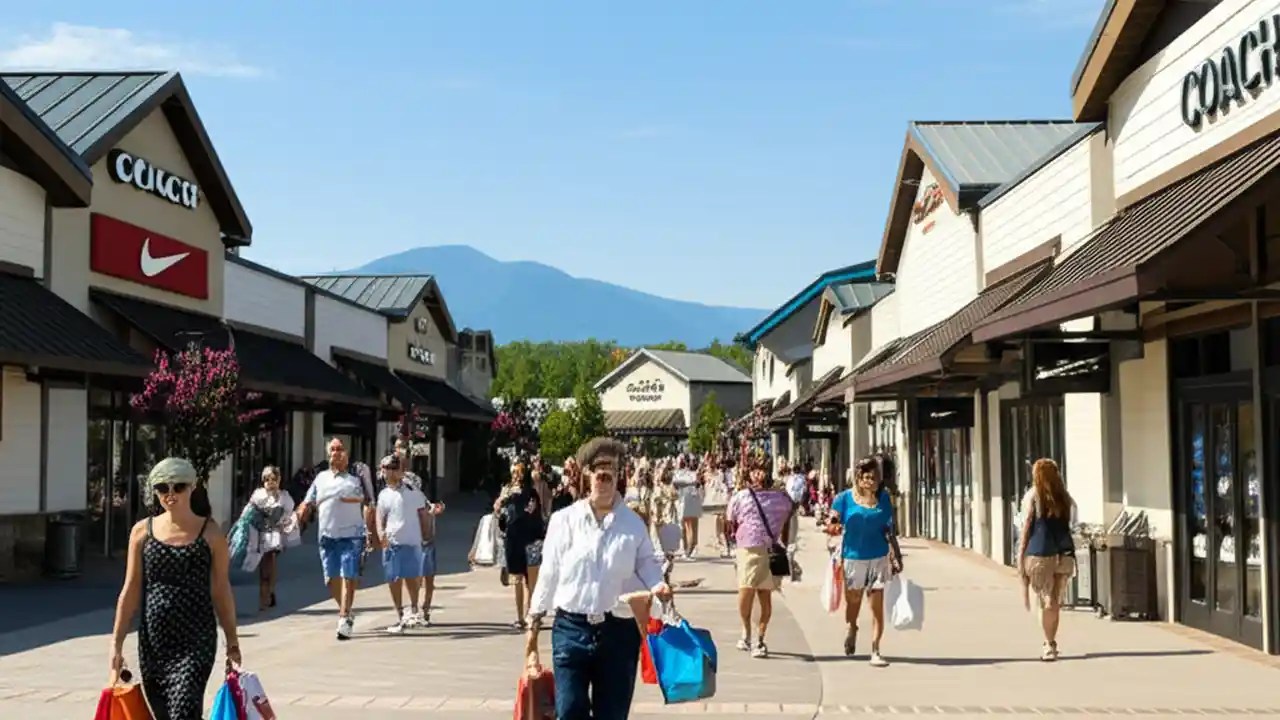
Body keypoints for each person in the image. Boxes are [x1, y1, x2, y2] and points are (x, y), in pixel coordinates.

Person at [525, 437, 673, 720]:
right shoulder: (564, 520)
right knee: (569, 711)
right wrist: (532, 631)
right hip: (571, 629)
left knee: (612, 714)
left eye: (610, 473)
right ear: (586, 476)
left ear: (619, 477)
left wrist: (658, 585)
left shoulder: (632, 524)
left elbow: (647, 562)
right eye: (598, 473)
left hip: (618, 632)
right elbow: (548, 574)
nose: (603, 480)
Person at [109, 458, 240, 720]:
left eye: (178, 487)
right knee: (165, 715)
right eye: (162, 488)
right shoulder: (141, 532)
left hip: (196, 640)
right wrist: (116, 643)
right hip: (154, 642)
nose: (170, 494)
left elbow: (221, 590)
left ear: (191, 488)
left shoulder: (210, 534)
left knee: (183, 711)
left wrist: (232, 641)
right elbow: (131, 589)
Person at [828, 457, 902, 667]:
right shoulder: (844, 499)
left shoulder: (884, 499)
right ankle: (852, 626)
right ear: (858, 479)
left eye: (873, 478)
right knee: (853, 602)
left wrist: (895, 554)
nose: (870, 482)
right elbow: (832, 519)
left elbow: (889, 528)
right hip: (853, 558)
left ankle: (876, 649)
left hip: (878, 557)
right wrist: (832, 525)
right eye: (866, 478)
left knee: (876, 605)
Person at [294, 438, 368, 640]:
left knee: (348, 575)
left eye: (340, 449)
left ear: (347, 453)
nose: (337, 453)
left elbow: (369, 501)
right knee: (331, 579)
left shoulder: (356, 478)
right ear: (328, 454)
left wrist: (374, 531)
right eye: (333, 450)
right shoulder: (321, 478)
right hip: (327, 535)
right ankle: (348, 611)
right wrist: (299, 514)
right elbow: (308, 501)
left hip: (352, 534)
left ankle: (343, 618)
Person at [724, 457, 794, 658]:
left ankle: (760, 638)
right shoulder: (741, 496)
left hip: (770, 550)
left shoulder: (781, 497)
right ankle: (746, 629)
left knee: (765, 595)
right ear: (748, 473)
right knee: (745, 591)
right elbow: (730, 521)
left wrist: (785, 542)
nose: (758, 474)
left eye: (762, 470)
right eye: (754, 470)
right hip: (748, 549)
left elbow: (790, 515)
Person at [1017, 458, 1077, 661]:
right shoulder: (1065, 498)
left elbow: (1024, 525)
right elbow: (1074, 522)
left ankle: (1048, 643)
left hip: (1040, 552)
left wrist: (1021, 555)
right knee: (1055, 601)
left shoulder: (1033, 496)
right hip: (1065, 552)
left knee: (1046, 600)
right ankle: (1051, 642)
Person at [376, 454, 429, 634]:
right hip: (392, 543)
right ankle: (399, 614)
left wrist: (426, 535)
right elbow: (379, 516)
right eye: (386, 468)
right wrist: (380, 533)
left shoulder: (413, 492)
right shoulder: (384, 495)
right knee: (393, 579)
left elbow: (423, 513)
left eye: (393, 468)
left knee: (412, 577)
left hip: (412, 541)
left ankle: (414, 610)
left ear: (400, 471)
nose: (389, 472)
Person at [239, 465, 296, 612]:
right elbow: (247, 513)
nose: (270, 482)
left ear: (279, 480)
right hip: (258, 535)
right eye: (267, 479)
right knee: (262, 565)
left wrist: (283, 523)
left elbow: (289, 514)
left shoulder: (284, 497)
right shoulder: (258, 495)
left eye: (274, 479)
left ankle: (266, 595)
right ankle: (267, 594)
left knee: (268, 563)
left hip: (274, 536)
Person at [496, 462, 545, 628]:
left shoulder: (531, 494)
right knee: (516, 578)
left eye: (519, 472)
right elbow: (497, 511)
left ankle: (531, 613)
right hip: (512, 539)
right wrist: (502, 500)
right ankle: (519, 617)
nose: (516, 476)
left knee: (530, 581)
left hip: (530, 540)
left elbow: (532, 513)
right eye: (514, 472)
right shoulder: (507, 490)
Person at [672, 456, 702, 558]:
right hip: (682, 501)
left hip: (690, 501)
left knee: (690, 526)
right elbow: (675, 483)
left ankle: (690, 549)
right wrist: (690, 483)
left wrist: (692, 483)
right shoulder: (678, 473)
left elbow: (698, 484)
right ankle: (686, 548)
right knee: (685, 527)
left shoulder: (693, 473)